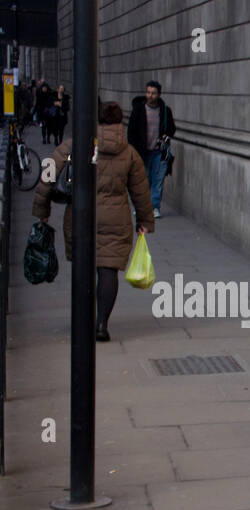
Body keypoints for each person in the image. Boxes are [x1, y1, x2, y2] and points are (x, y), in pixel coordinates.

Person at [33, 101, 155, 342]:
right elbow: (141, 191)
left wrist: (42, 209)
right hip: (116, 218)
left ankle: (81, 321)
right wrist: (145, 221)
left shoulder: (74, 145)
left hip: (81, 216)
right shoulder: (130, 153)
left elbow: (47, 174)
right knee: (108, 271)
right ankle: (101, 324)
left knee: (83, 269)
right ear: (120, 123)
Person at [127, 80, 177, 218]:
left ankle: (154, 207)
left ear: (159, 94)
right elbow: (131, 132)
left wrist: (166, 135)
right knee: (145, 180)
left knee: (158, 181)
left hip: (159, 152)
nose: (150, 96)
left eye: (153, 93)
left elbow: (172, 129)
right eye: (148, 92)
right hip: (142, 152)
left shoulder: (165, 111)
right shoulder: (138, 110)